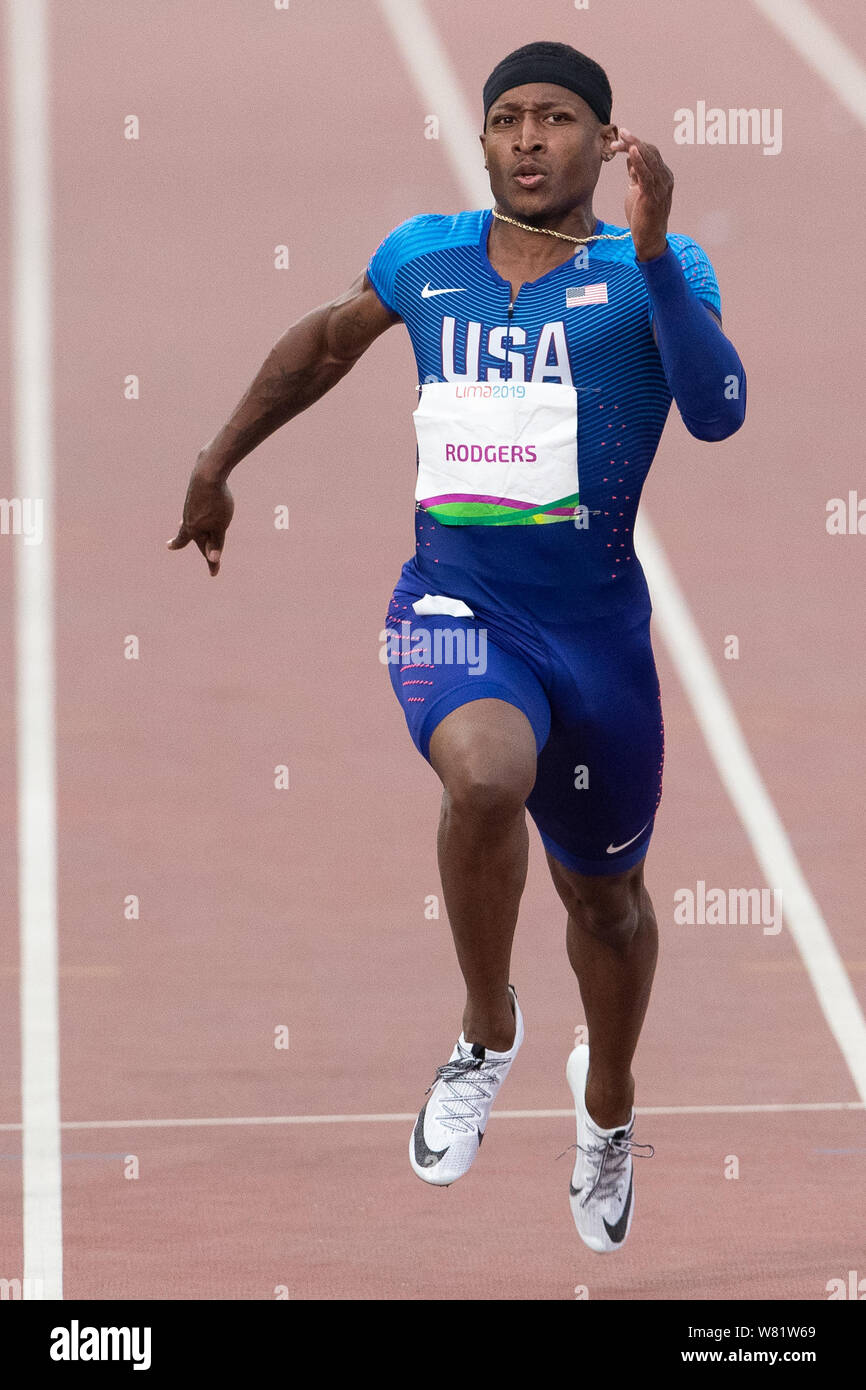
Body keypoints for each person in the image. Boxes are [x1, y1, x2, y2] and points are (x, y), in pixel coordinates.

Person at [168, 41, 746, 1254]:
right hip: (455, 606)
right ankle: (486, 1030)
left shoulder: (651, 271)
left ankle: (607, 1106)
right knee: (483, 775)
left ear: (606, 143)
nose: (528, 139)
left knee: (611, 908)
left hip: (595, 639)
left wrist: (651, 255)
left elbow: (717, 412)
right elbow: (325, 343)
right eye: (506, 120)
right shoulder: (424, 257)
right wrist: (218, 463)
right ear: (481, 141)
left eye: (557, 119)